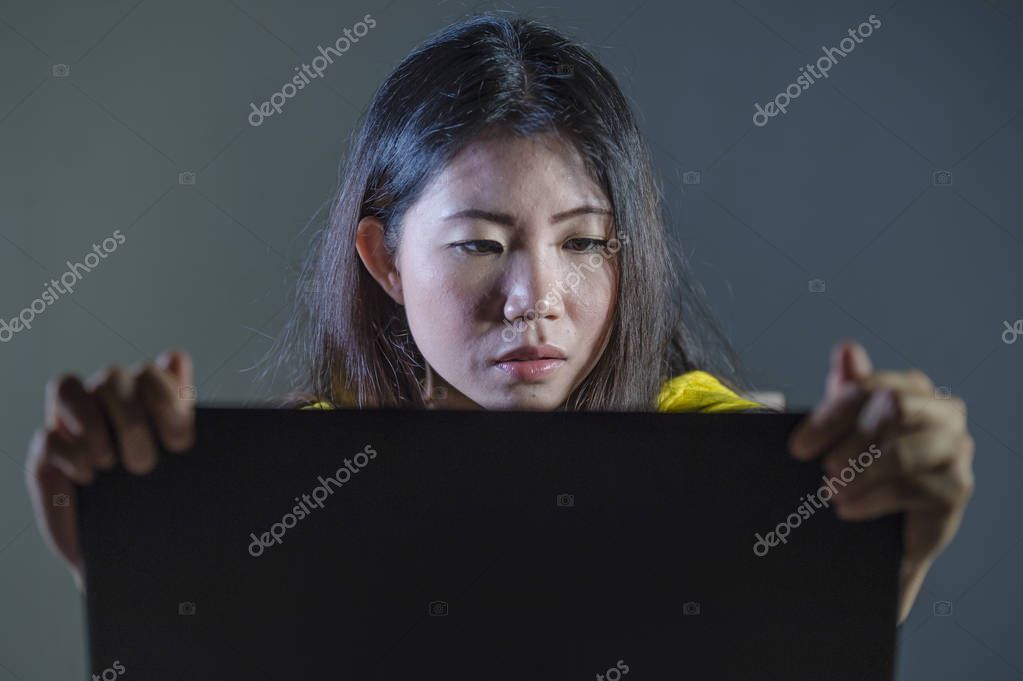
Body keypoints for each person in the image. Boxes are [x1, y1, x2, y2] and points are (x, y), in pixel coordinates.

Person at [25, 12, 973, 626]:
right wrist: (122, 549)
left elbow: (784, 636)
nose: (536, 298)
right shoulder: (300, 476)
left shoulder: (714, 448)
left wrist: (887, 544)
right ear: (384, 259)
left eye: (584, 243)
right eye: (479, 243)